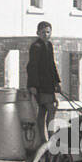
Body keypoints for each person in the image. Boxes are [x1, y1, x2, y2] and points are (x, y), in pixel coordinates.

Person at [26, 21, 61, 153]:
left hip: (49, 84)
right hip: (39, 85)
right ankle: (47, 139)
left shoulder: (49, 45)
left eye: (48, 32)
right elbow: (32, 67)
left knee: (44, 112)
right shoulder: (36, 46)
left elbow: (52, 65)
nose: (46, 34)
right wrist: (32, 85)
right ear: (38, 33)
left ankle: (45, 140)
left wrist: (57, 83)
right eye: (43, 32)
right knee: (49, 109)